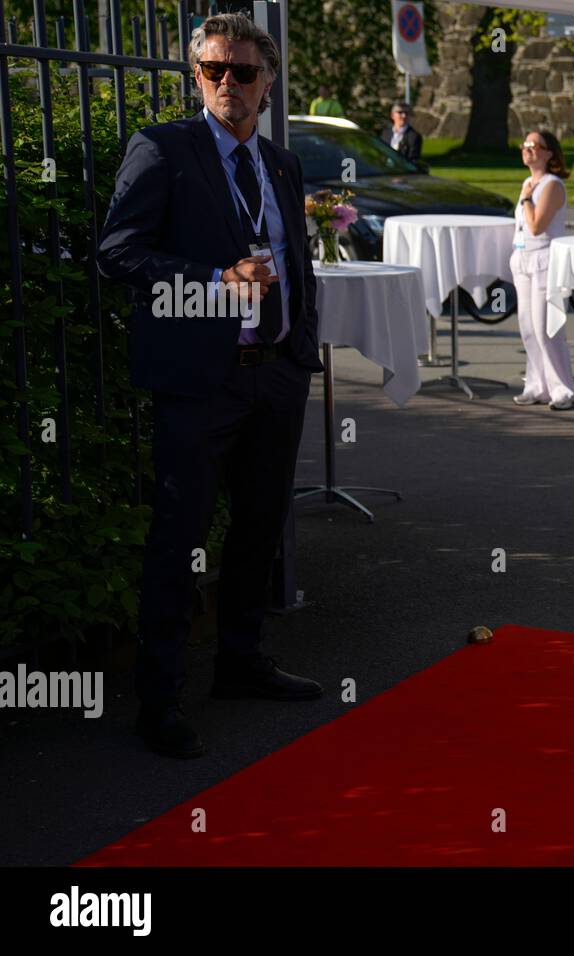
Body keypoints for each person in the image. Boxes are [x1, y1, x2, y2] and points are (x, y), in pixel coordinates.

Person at [97, 12, 325, 758]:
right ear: (196, 76)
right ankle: (158, 700)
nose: (229, 83)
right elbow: (118, 253)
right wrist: (213, 281)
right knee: (178, 540)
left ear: (268, 80)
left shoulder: (283, 166)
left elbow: (295, 264)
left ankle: (240, 663)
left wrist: (299, 356)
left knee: (260, 530)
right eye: (214, 70)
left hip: (275, 378)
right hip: (199, 384)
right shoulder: (162, 150)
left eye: (244, 71)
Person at [509, 129, 574, 410]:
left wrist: (526, 200)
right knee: (527, 327)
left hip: (544, 260)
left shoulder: (550, 184)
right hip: (523, 259)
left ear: (549, 154)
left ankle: (563, 389)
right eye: (525, 144)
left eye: (535, 146)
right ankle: (537, 385)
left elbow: (537, 225)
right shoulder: (529, 181)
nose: (528, 150)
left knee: (545, 328)